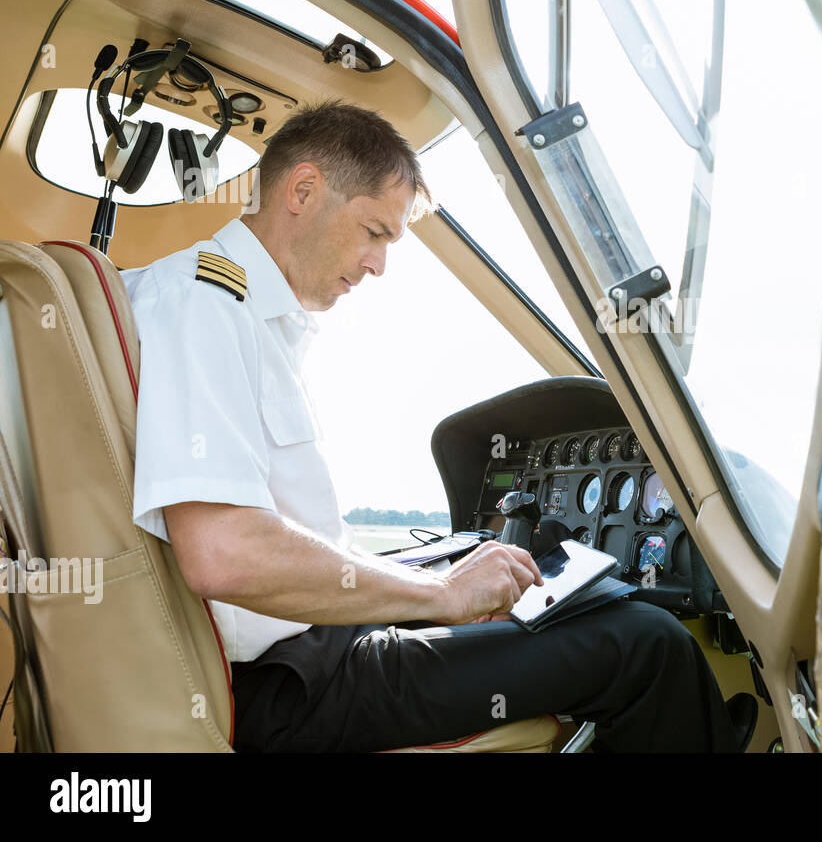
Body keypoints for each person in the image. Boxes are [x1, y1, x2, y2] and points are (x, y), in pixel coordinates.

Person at [121, 100, 755, 752]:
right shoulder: (203, 306)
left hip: (303, 647)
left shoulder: (233, 310)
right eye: (374, 231)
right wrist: (441, 591)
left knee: (574, 601)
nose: (378, 265)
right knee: (646, 644)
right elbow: (224, 552)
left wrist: (438, 583)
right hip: (281, 687)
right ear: (303, 190)